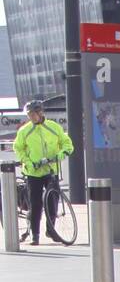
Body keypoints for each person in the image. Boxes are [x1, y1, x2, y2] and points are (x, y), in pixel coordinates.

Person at [12, 98, 74, 246]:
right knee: (35, 204)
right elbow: (18, 148)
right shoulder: (24, 131)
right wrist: (28, 162)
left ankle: (51, 230)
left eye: (33, 114)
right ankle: (35, 235)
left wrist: (62, 153)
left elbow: (66, 143)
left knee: (53, 201)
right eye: (29, 115)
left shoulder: (53, 127)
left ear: (40, 113)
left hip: (51, 170)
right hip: (33, 172)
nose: (31, 117)